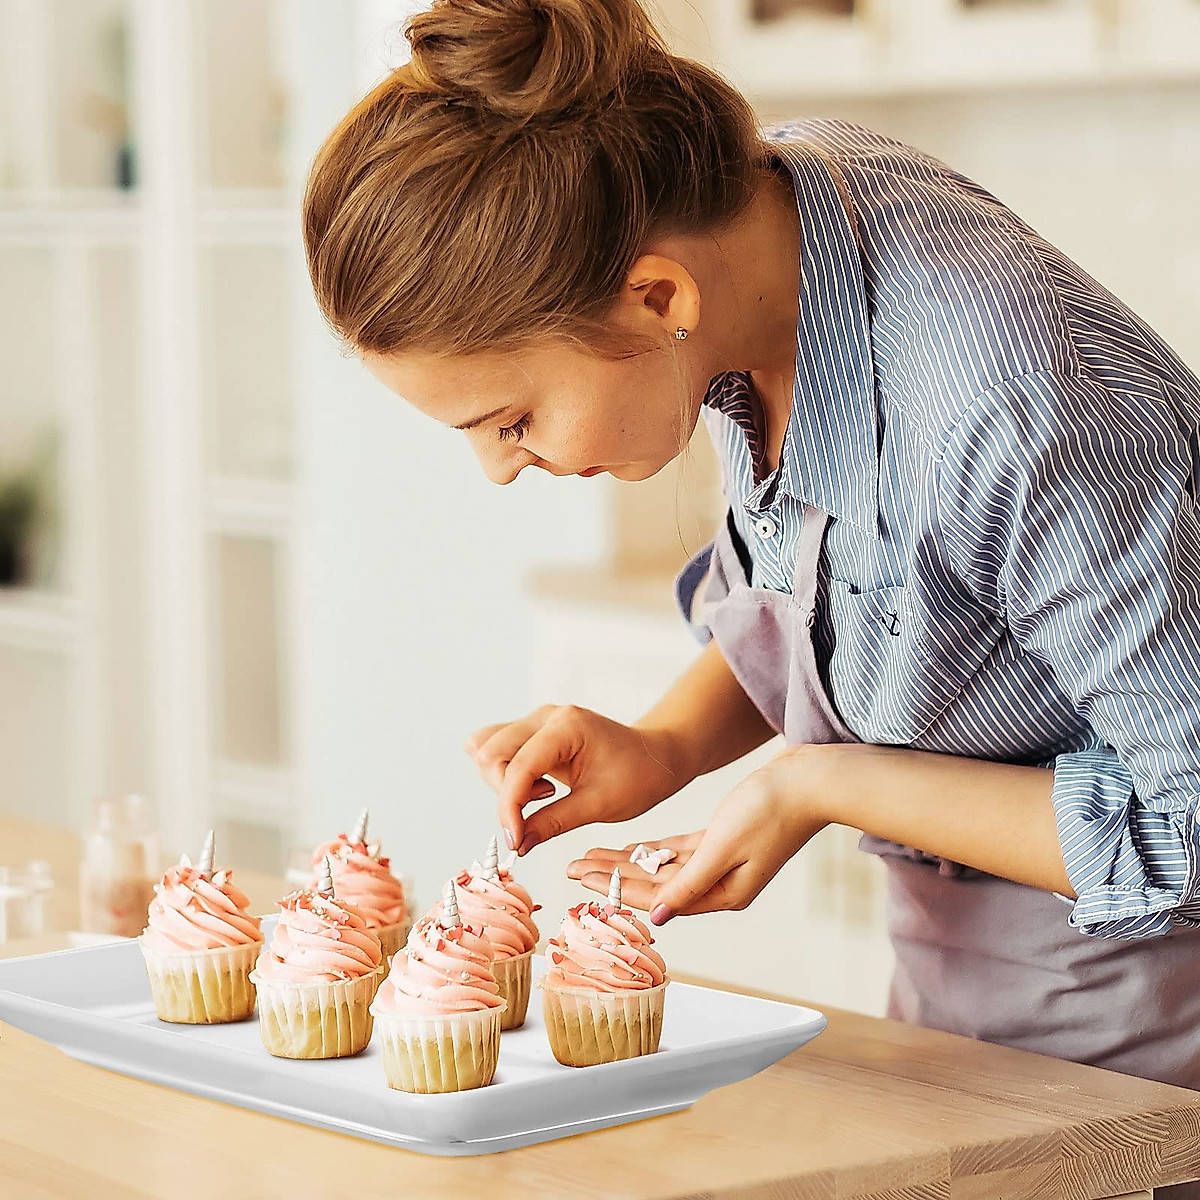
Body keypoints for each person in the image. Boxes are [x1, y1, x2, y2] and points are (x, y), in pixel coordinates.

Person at [301, 0, 1200, 1159]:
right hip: (964, 1026)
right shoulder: (765, 240)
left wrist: (821, 784)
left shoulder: (1012, 410)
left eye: (513, 419)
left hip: (1148, 1070)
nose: (500, 472)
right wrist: (663, 748)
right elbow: (850, 588)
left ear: (657, 297)